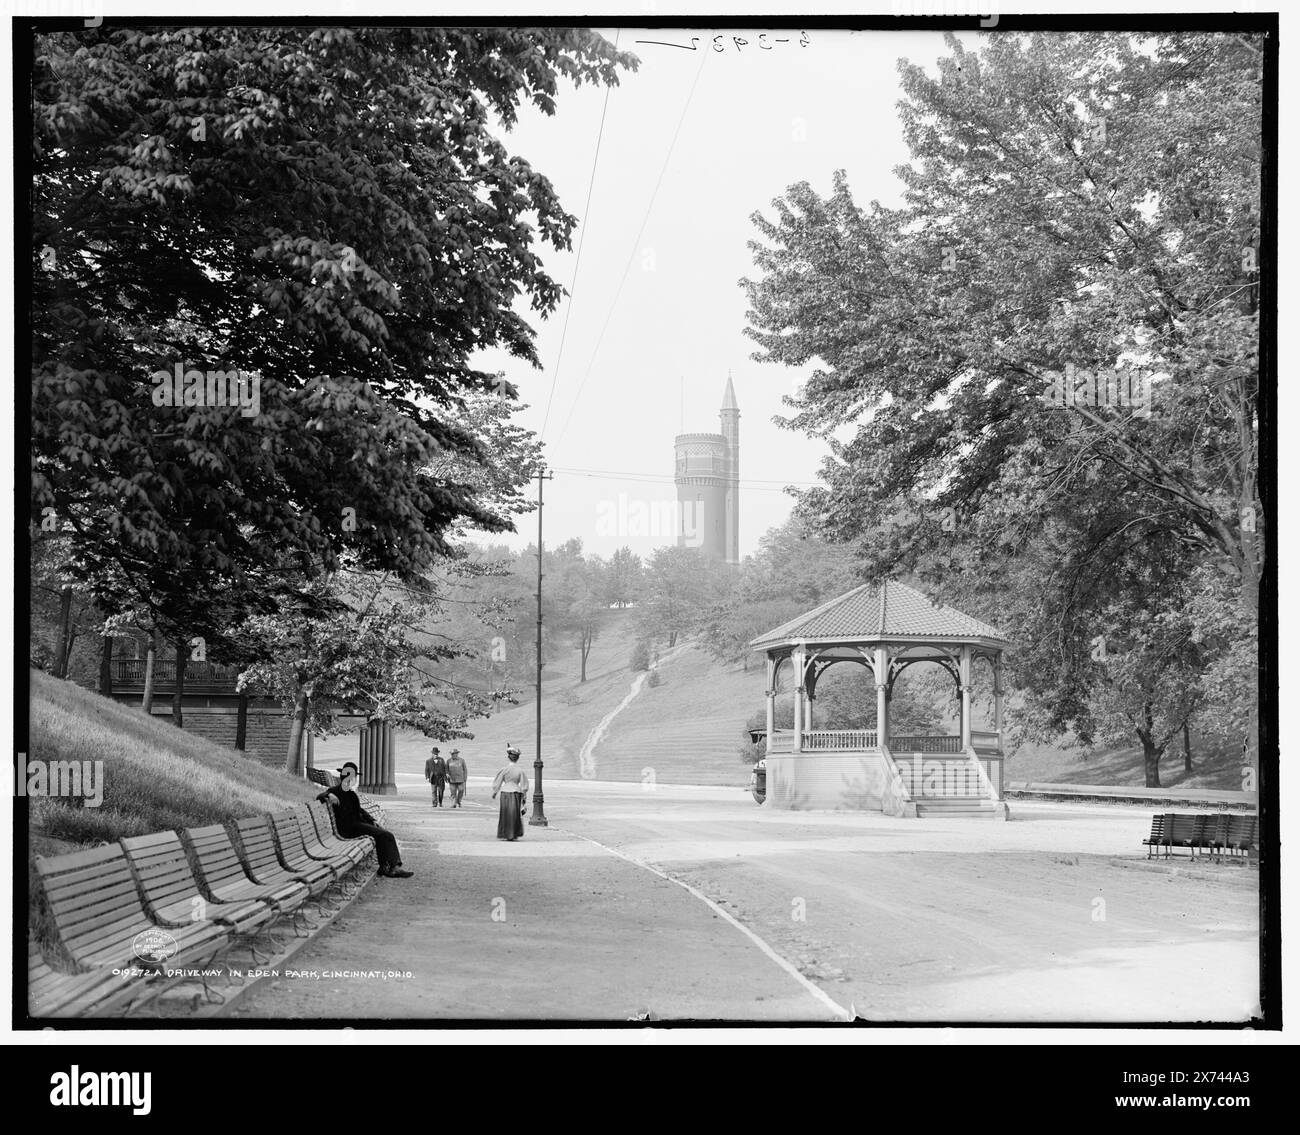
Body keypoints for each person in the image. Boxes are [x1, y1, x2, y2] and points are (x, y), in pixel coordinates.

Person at [318, 762, 413, 878]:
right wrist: (328, 795)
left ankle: (385, 867)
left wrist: (372, 820)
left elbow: (360, 811)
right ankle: (393, 867)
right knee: (386, 835)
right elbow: (320, 796)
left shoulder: (349, 793)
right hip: (349, 829)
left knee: (382, 833)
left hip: (356, 826)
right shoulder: (335, 791)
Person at [491, 745, 529, 841]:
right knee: (514, 814)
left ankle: (505, 833)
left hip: (505, 793)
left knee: (505, 813)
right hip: (516, 792)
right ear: (517, 759)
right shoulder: (520, 770)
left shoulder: (504, 769)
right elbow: (524, 785)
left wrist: (495, 792)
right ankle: (513, 834)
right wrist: (524, 796)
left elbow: (498, 782)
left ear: (509, 758)